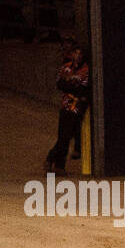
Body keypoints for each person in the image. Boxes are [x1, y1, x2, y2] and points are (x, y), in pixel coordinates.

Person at [44, 40, 89, 175]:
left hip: (78, 108)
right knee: (64, 136)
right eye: (76, 53)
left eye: (80, 53)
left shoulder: (86, 69)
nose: (78, 56)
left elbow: (83, 88)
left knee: (68, 137)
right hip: (66, 106)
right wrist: (72, 85)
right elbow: (60, 84)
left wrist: (70, 85)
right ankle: (56, 162)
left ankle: (56, 162)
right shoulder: (66, 67)